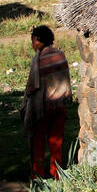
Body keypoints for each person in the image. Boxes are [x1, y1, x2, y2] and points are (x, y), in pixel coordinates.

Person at [23, 25, 71, 180]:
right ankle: (57, 173)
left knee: (38, 142)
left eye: (33, 41)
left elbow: (32, 86)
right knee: (56, 141)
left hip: (43, 108)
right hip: (59, 105)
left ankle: (37, 174)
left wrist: (26, 105)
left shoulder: (38, 59)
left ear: (38, 41)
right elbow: (65, 79)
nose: (32, 45)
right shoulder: (60, 55)